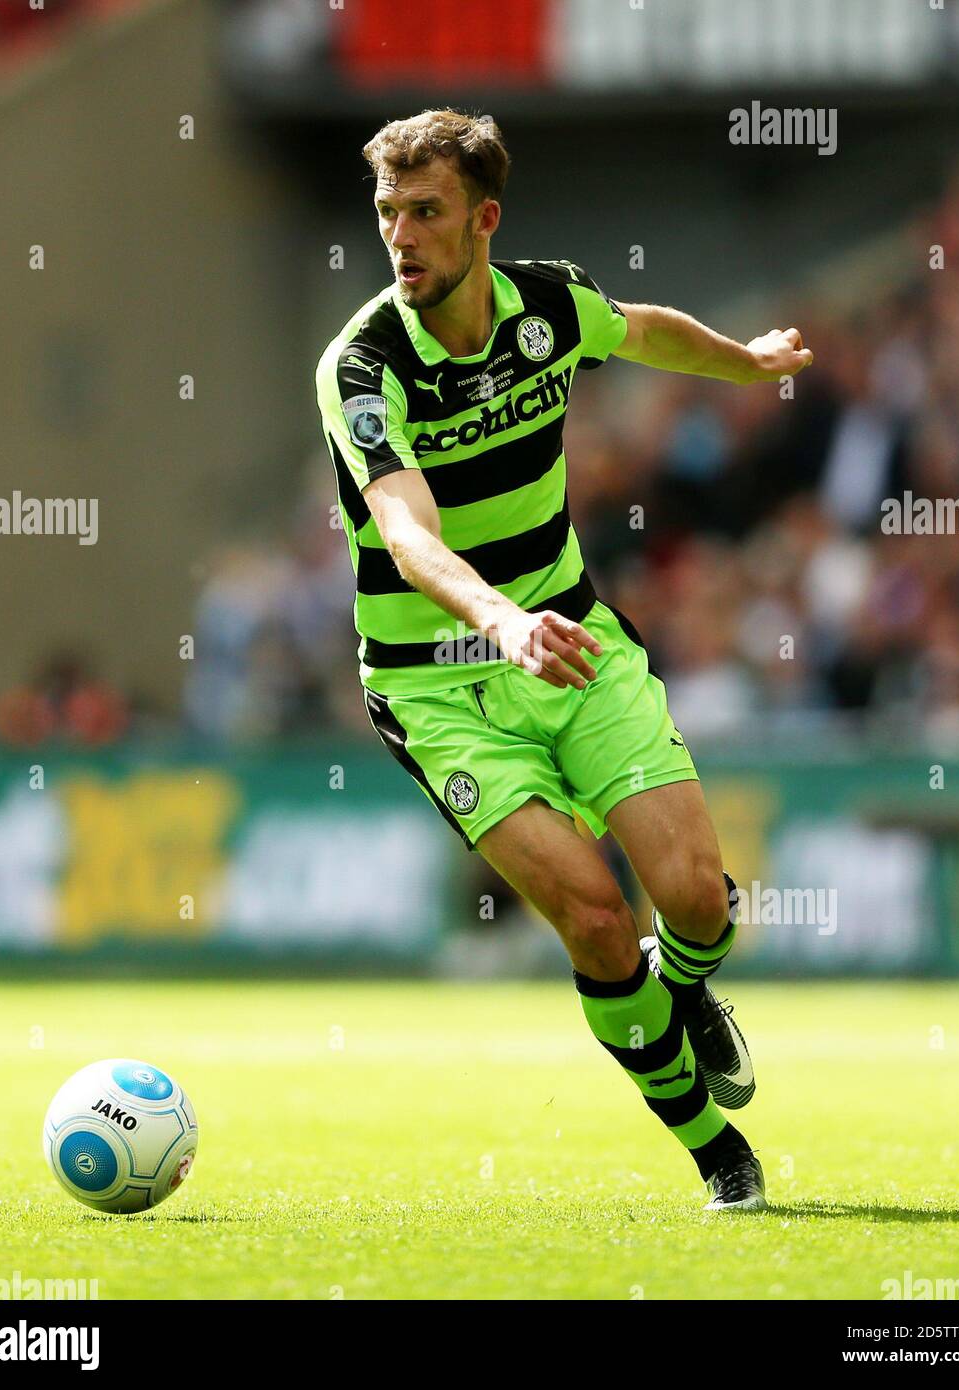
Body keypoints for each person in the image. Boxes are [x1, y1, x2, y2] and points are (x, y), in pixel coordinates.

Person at [316, 109, 813, 1210]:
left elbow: (641, 330)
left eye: (426, 211)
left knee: (694, 901)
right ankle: (709, 1147)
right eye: (388, 211)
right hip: (437, 683)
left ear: (481, 219)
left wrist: (745, 362)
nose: (401, 233)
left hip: (572, 639)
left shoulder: (545, 306)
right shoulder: (359, 364)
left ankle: (685, 995)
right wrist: (497, 621)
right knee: (595, 917)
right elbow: (405, 533)